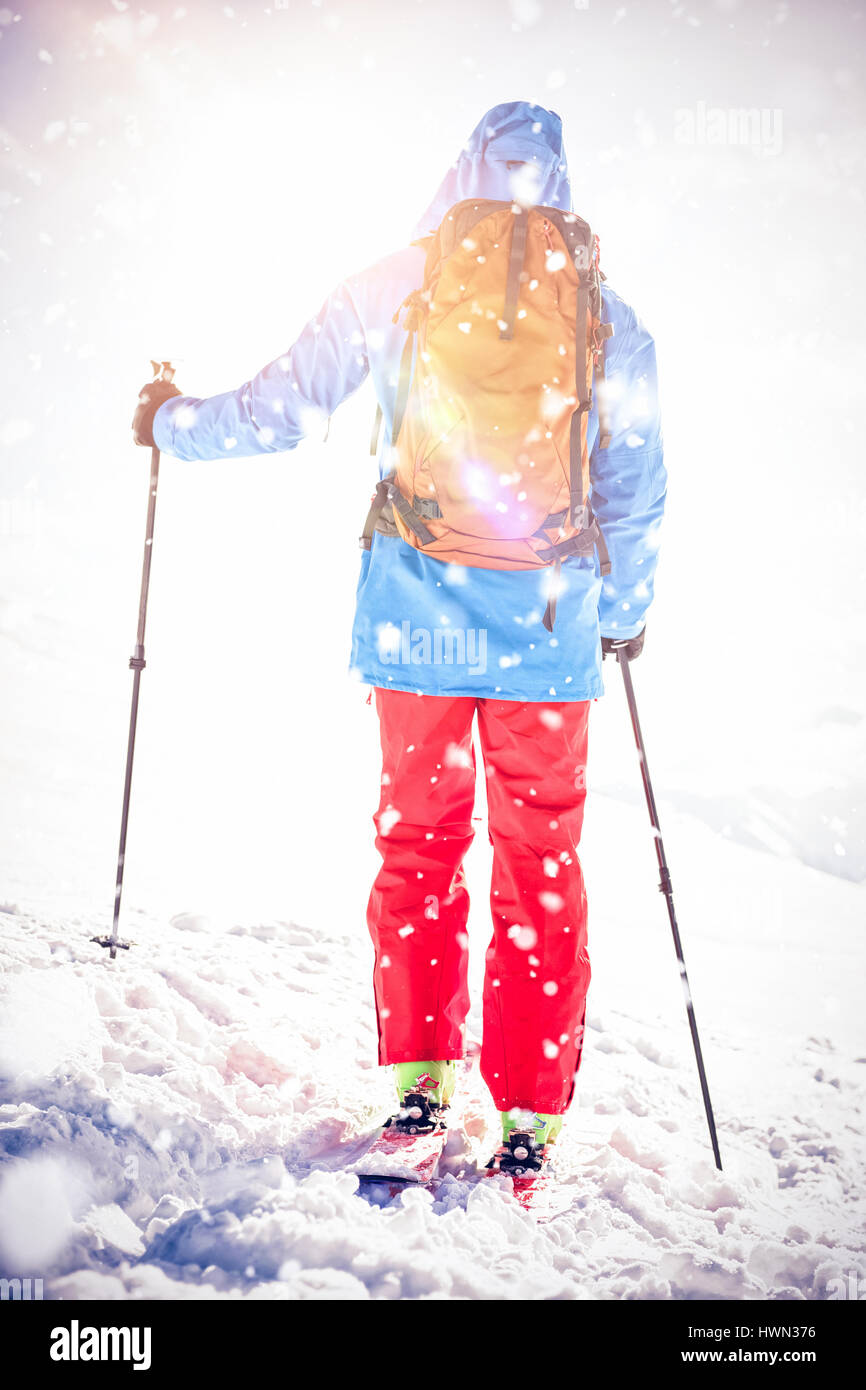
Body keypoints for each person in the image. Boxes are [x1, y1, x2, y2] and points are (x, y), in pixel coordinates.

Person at [133, 101, 665, 1174]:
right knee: (540, 865)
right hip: (546, 635)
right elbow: (634, 488)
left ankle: (420, 1094)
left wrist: (168, 421)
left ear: (462, 167)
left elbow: (281, 412)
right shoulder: (605, 316)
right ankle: (527, 1124)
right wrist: (620, 615)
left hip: (413, 625)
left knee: (418, 849)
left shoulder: (393, 284)